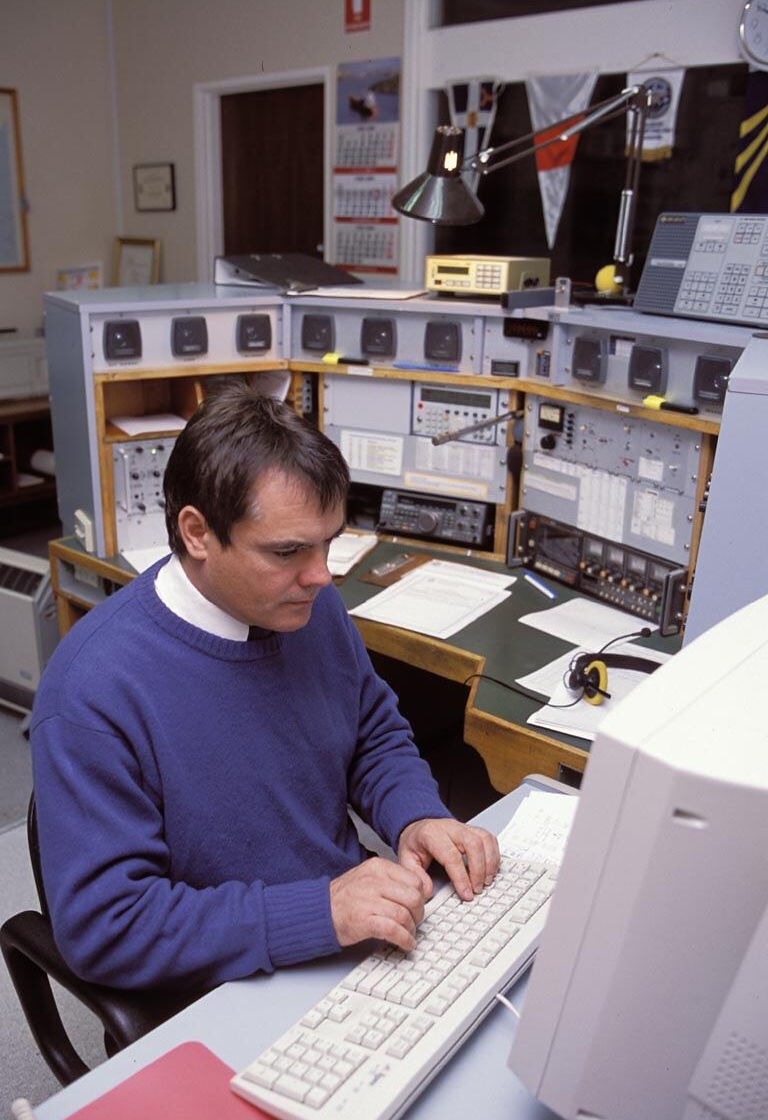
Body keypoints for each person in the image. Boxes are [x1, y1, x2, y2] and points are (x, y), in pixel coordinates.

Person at [31, 383, 500, 993]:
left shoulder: (304, 605)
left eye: (328, 543)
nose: (321, 575)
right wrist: (320, 912)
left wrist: (416, 816)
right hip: (230, 977)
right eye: (288, 551)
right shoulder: (93, 692)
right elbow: (108, 927)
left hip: (349, 928)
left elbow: (371, 735)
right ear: (197, 533)